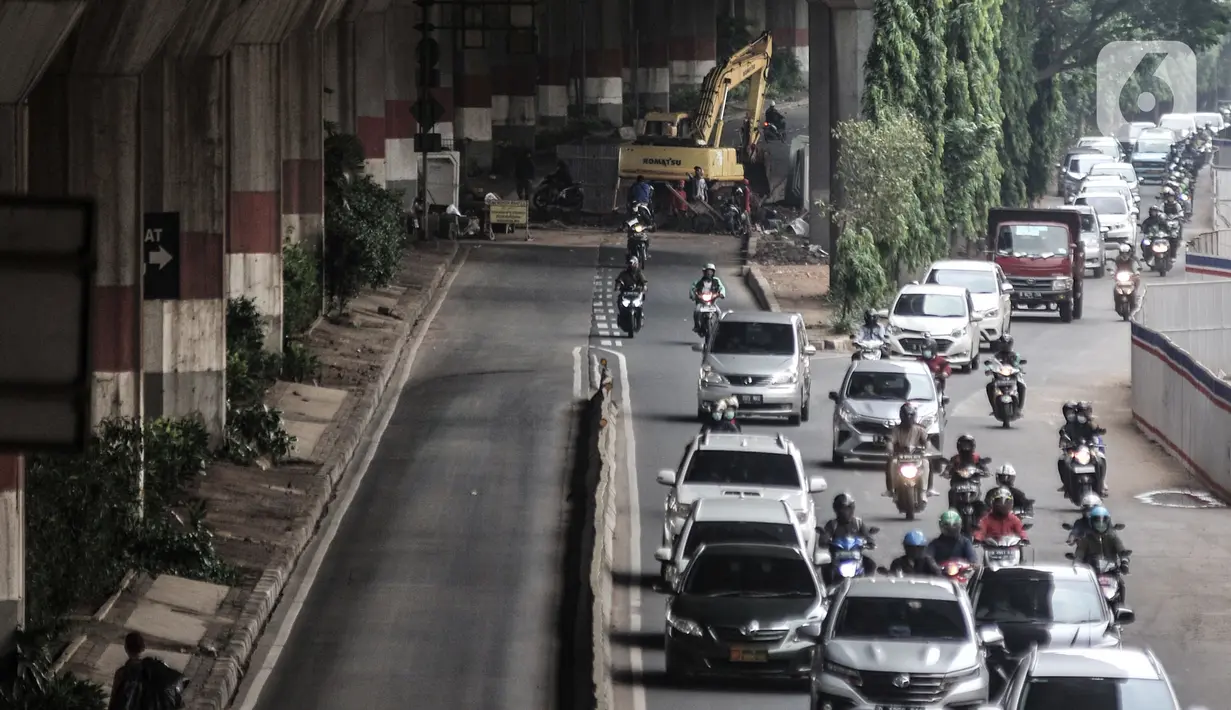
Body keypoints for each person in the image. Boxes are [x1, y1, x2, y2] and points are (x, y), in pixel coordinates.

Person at [108, 631, 188, 710]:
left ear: (126, 648)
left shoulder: (122, 673)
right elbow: (174, 684)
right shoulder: (156, 667)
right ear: (143, 648)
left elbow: (114, 699)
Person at [884, 402, 937, 497]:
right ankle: (890, 489)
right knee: (891, 463)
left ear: (914, 416)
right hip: (900, 456)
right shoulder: (896, 430)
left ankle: (928, 489)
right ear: (901, 416)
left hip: (917, 456)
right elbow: (890, 442)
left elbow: (927, 441)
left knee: (927, 462)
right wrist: (890, 450)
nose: (908, 418)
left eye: (910, 415)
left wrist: (927, 451)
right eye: (906, 415)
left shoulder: (920, 429)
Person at [1074, 506, 1130, 575]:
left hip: (1111, 570)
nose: (1101, 526)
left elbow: (1121, 550)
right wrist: (1076, 564)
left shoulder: (1113, 537)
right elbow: (1080, 553)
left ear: (1108, 523)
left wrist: (1124, 563)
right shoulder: (1086, 538)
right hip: (1091, 572)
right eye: (1097, 523)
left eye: (1103, 523)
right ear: (1091, 523)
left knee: (1121, 584)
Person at [985, 334, 1025, 412]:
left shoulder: (1015, 355)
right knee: (989, 386)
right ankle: (994, 406)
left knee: (1021, 385)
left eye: (1007, 344)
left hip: (1012, 377)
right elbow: (991, 363)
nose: (1005, 346)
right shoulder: (996, 356)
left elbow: (1019, 363)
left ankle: (1020, 406)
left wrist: (1020, 368)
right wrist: (988, 369)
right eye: (1003, 344)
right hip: (1000, 377)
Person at [690, 263, 726, 331]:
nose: (709, 273)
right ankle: (697, 326)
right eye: (707, 271)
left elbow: (722, 288)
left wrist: (721, 294)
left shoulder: (716, 281)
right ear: (704, 272)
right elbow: (692, 289)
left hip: (712, 302)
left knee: (719, 312)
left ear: (713, 272)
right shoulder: (698, 282)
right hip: (701, 303)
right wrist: (694, 295)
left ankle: (718, 327)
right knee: (696, 311)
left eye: (711, 271)